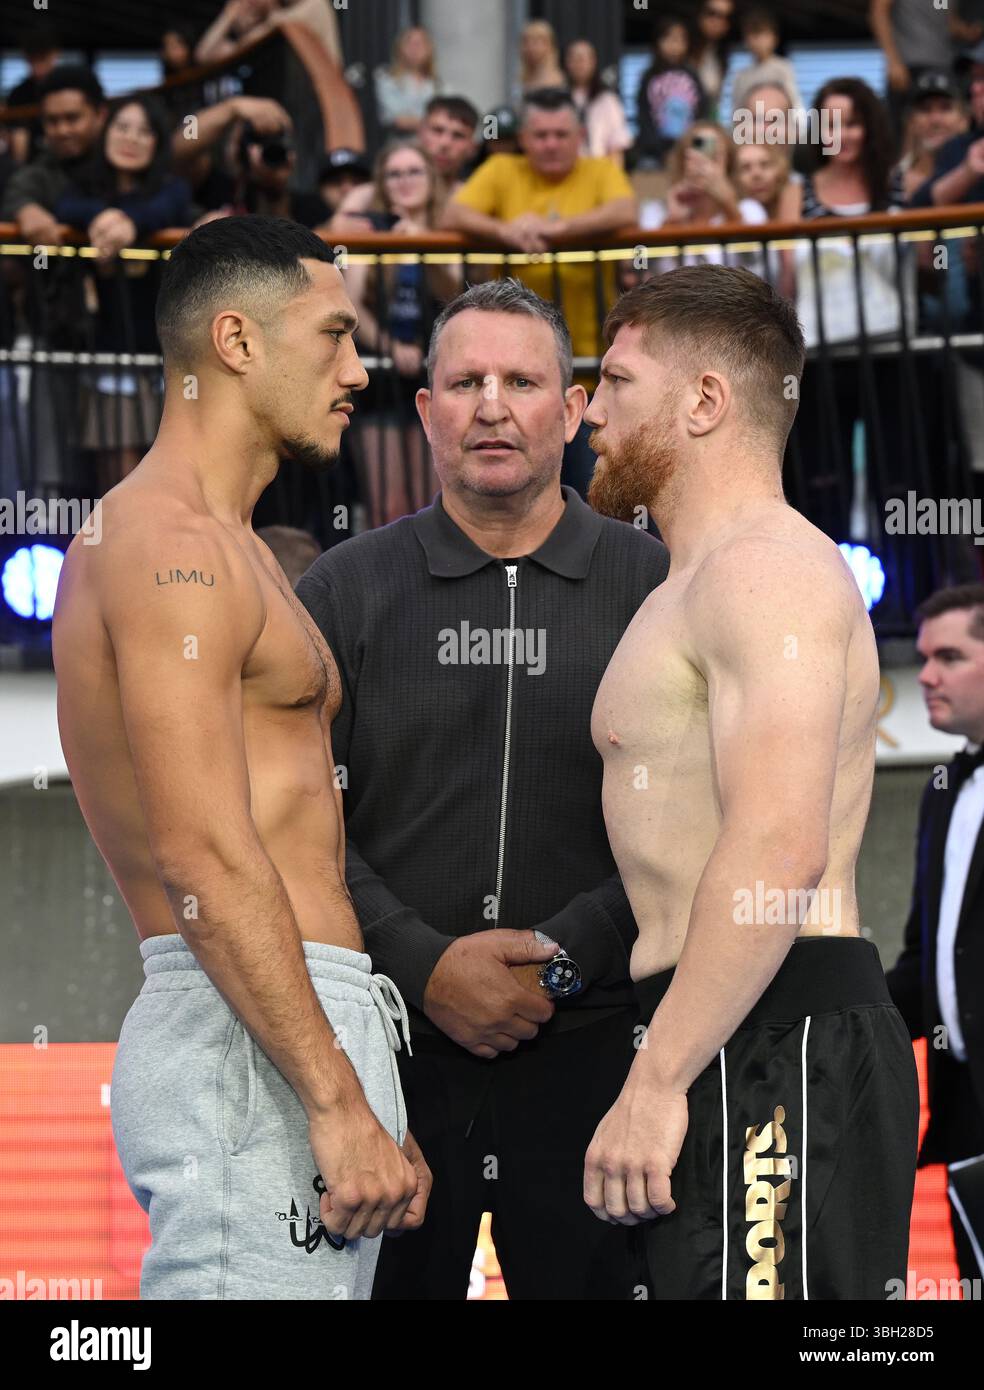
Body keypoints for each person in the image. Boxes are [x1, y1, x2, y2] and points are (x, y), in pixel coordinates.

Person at [51, 214, 430, 1300]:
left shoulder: (235, 549)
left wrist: (361, 1088)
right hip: (246, 1038)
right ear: (236, 340)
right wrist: (336, 1098)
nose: (361, 370)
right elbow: (206, 855)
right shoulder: (165, 545)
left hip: (287, 1032)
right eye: (333, 337)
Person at [296, 277, 669, 1300]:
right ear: (425, 413)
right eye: (463, 381)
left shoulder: (658, 586)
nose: (492, 404)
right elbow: (292, 819)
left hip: (602, 1056)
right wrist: (423, 962)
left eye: (522, 379)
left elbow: (701, 815)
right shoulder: (340, 588)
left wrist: (561, 959)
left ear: (576, 406)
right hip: (391, 1063)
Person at [580, 264, 919, 1300]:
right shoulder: (691, 581)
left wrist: (659, 1075)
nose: (586, 410)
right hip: (732, 1031)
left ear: (706, 401)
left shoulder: (762, 570)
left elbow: (780, 845)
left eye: (615, 381)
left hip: (777, 1038)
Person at [442, 87, 637, 500]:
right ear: (524, 137)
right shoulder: (501, 169)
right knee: (515, 497)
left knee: (597, 497)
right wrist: (506, 231)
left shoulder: (600, 170)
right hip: (513, 379)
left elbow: (625, 211)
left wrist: (553, 231)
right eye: (541, 134)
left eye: (561, 134)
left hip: (589, 375)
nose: (550, 143)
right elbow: (453, 213)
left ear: (580, 134)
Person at [888, 584, 984, 1285]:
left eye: (949, 656)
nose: (925, 675)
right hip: (967, 1113)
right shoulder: (945, 787)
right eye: (923, 657)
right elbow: (927, 960)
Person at [52, 95, 195, 494]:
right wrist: (100, 217)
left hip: (164, 355)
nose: (131, 138)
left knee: (168, 475)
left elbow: (167, 209)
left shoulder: (171, 189)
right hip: (107, 352)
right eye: (122, 127)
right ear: (105, 132)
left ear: (157, 143)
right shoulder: (82, 188)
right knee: (116, 479)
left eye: (144, 130)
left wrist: (129, 222)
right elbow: (66, 205)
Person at [343, 141, 453, 526]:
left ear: (431, 179)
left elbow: (455, 293)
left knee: (433, 506)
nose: (405, 181)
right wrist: (390, 347)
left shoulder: (448, 228)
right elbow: (350, 304)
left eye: (414, 172)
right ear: (382, 183)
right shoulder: (368, 232)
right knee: (387, 509)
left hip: (438, 380)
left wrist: (419, 243)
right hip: (381, 380)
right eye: (394, 174)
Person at [329, 96, 478, 234]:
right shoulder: (367, 193)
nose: (445, 143)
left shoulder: (473, 199)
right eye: (437, 130)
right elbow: (333, 229)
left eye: (458, 135)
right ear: (420, 131)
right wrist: (339, 224)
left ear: (472, 147)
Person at [869, 0, 955, 133]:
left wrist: (968, 31)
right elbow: (878, 12)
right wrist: (893, 61)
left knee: (944, 127)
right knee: (905, 129)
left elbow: (944, 17)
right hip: (909, 65)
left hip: (944, 65)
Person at [635, 16, 707, 169]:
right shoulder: (649, 76)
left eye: (680, 40)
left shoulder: (692, 75)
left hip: (691, 148)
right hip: (655, 152)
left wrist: (696, 146)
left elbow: (702, 112)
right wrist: (657, 148)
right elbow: (644, 115)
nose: (675, 45)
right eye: (670, 39)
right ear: (658, 42)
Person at [896, 70, 968, 201]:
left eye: (946, 108)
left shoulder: (978, 178)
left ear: (964, 119)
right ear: (911, 122)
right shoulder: (891, 182)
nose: (935, 120)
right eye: (925, 109)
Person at [563, 39, 632, 166]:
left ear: (593, 62)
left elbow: (616, 146)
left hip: (598, 170)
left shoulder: (608, 100)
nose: (579, 64)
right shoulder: (560, 100)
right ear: (567, 63)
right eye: (574, 59)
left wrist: (613, 178)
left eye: (583, 59)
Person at [4, 27, 62, 165]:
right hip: (28, 163)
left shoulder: (69, 88)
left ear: (54, 55)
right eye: (32, 61)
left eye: (42, 60)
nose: (37, 68)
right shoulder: (19, 94)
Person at [730, 9, 802, 117]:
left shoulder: (783, 68)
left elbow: (794, 102)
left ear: (774, 38)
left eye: (763, 34)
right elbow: (737, 109)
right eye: (753, 35)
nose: (758, 41)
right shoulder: (741, 76)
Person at [374, 27, 440, 142]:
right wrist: (434, 124)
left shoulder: (436, 83)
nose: (415, 48)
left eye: (420, 43)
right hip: (401, 145)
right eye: (410, 43)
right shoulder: (387, 77)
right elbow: (398, 120)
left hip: (430, 147)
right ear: (400, 48)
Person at [691, 0, 735, 121]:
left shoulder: (720, 55)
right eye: (712, 13)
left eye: (724, 17)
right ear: (700, 15)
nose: (717, 22)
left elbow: (714, 104)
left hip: (708, 126)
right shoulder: (681, 49)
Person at [517, 19, 565, 95]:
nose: (530, 48)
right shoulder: (523, 77)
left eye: (535, 42)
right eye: (526, 42)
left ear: (549, 46)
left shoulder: (554, 81)